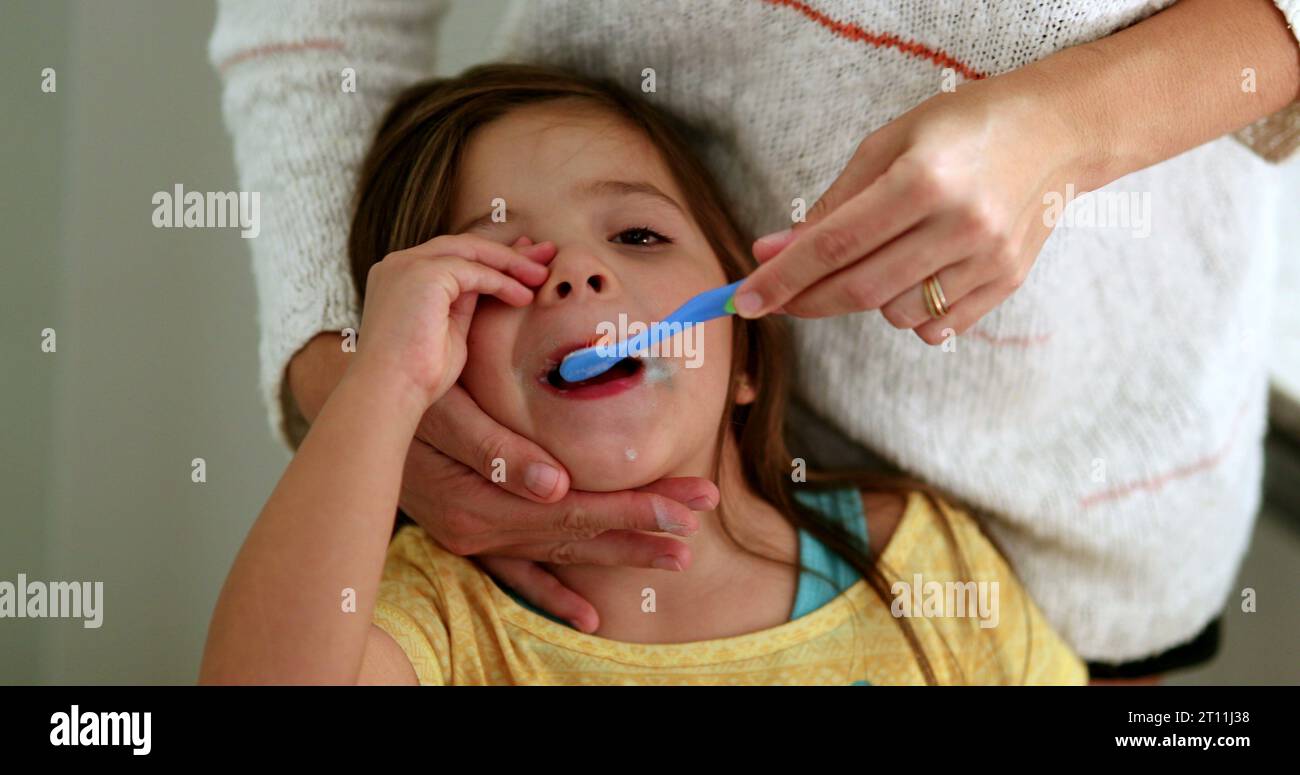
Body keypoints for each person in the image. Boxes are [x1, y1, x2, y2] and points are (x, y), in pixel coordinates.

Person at [208, 0, 1300, 675]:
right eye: (500, 269)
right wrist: (365, 387)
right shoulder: (437, 615)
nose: (580, 274)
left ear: (747, 350)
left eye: (636, 233)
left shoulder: (920, 567)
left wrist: (1065, 125)